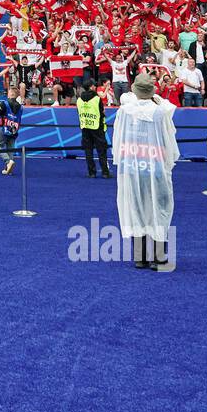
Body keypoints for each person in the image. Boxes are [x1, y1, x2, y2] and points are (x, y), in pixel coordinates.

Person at [112, 73, 179, 272]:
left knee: (136, 209)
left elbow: (117, 140)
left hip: (131, 168)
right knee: (158, 210)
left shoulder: (124, 112)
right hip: (155, 167)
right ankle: (158, 257)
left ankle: (140, 257)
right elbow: (169, 141)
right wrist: (168, 163)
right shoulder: (160, 112)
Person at [76, 80, 110, 179]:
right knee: (101, 151)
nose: (95, 87)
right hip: (97, 127)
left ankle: (91, 172)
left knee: (88, 150)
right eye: (94, 86)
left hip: (85, 127)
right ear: (91, 87)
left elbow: (79, 112)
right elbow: (102, 111)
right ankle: (105, 172)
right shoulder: (96, 98)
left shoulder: (79, 100)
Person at [0, 85, 23, 176]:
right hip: (14, 129)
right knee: (10, 149)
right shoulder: (21, 107)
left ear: (10, 94)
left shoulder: (4, 103)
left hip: (4, 127)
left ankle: (8, 161)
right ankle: (8, 168)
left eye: (8, 92)